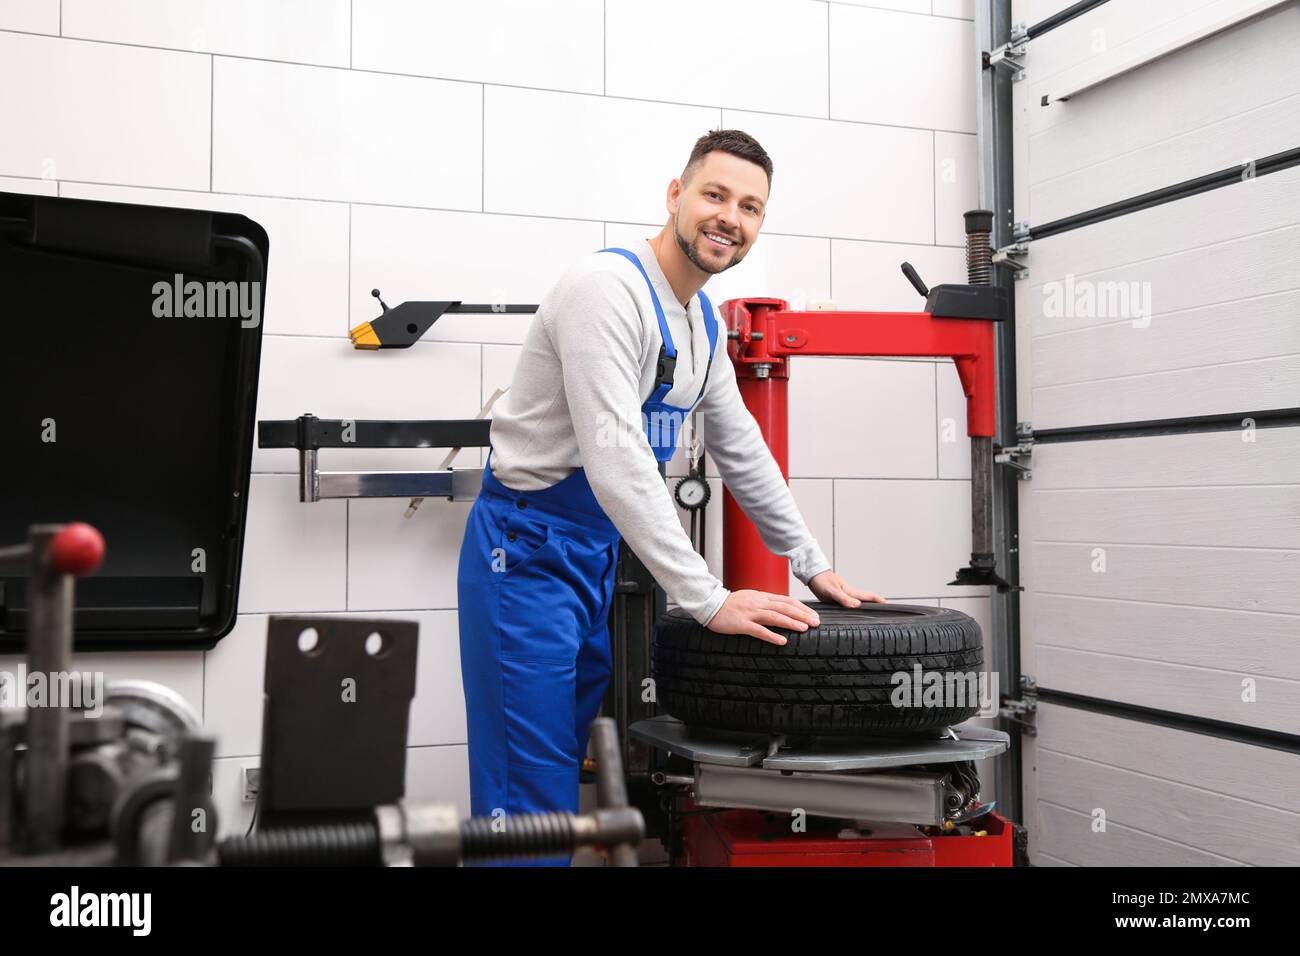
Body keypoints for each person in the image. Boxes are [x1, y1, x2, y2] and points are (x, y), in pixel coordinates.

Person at [456, 128, 885, 864]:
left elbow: (741, 448)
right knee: (525, 796)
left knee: (559, 766)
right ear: (675, 195)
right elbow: (618, 458)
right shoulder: (606, 291)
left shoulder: (702, 324)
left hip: (588, 557)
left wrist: (811, 562)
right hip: (521, 558)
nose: (729, 217)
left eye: (750, 207)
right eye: (715, 194)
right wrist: (710, 598)